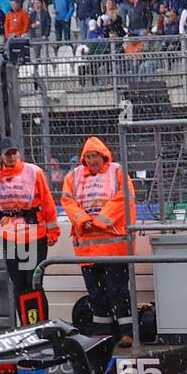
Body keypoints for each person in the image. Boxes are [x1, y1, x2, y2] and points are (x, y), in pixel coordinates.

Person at [60, 136, 137, 347]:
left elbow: (125, 197)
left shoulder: (117, 171)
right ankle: (102, 335)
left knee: (117, 291)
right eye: (88, 157)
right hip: (87, 250)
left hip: (114, 247)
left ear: (104, 156)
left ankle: (126, 332)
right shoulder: (74, 176)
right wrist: (83, 219)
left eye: (95, 156)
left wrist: (101, 221)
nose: (92, 160)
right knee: (96, 294)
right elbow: (67, 201)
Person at [0, 136, 60, 323]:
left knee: (34, 283)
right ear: (1, 156)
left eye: (14, 152)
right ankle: (26, 324)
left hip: (35, 235)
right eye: (8, 154)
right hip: (10, 236)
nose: (12, 157)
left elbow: (48, 204)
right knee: (19, 285)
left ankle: (40, 324)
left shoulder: (34, 172)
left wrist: (53, 231)